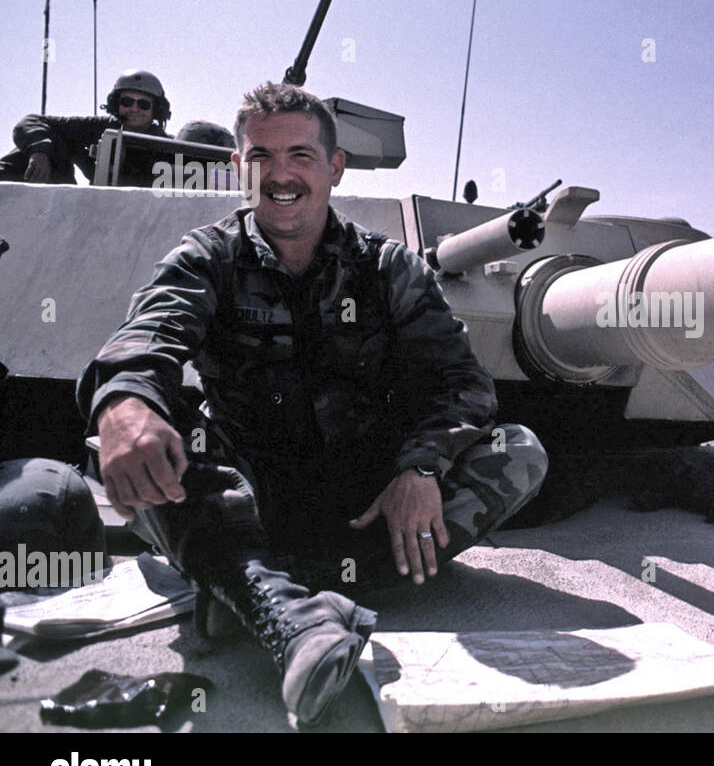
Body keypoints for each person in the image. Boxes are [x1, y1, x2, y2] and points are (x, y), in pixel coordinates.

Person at [75, 81, 548, 725]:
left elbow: (461, 384)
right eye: (261, 157)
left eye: (300, 155)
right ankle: (288, 613)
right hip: (250, 498)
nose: (280, 174)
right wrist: (128, 404)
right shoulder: (207, 257)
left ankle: (243, 581)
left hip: (369, 504)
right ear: (240, 169)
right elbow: (147, 335)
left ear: (334, 167)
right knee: (122, 437)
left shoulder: (388, 268)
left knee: (516, 452)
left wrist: (422, 467)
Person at [0, 69, 173, 187]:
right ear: (116, 104)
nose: (134, 109)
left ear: (156, 110)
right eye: (127, 102)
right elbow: (31, 121)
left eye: (143, 104)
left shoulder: (168, 147)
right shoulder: (97, 128)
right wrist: (39, 151)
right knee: (44, 140)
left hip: (149, 213)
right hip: (92, 209)